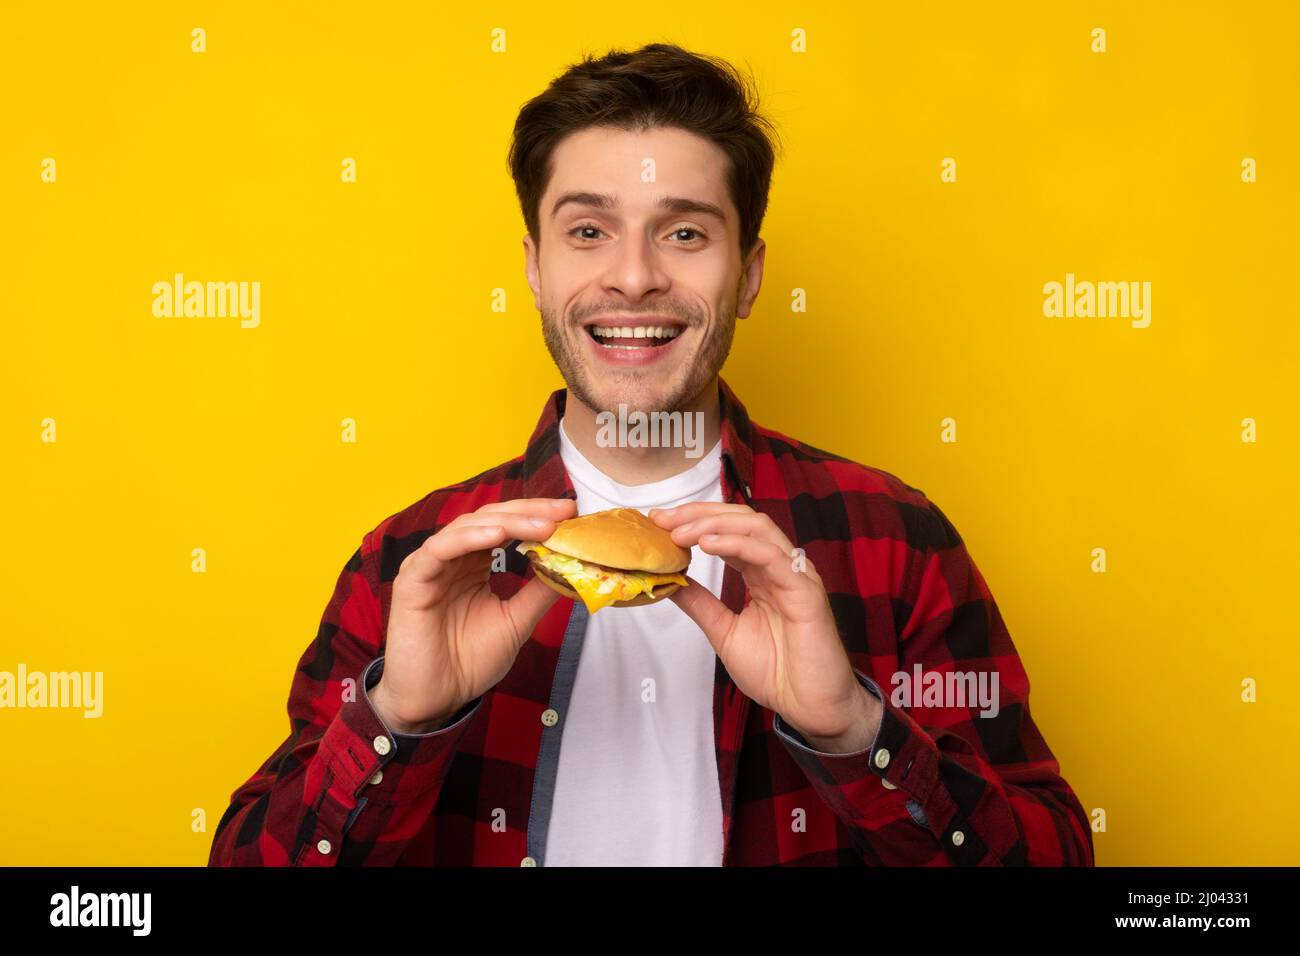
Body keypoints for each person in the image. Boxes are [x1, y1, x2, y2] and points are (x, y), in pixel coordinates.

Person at [209, 42, 1093, 867]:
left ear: (746, 273)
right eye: (588, 232)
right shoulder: (415, 559)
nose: (633, 277)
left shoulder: (896, 540)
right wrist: (398, 719)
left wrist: (856, 732)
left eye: (684, 233)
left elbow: (1057, 853)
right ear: (534, 269)